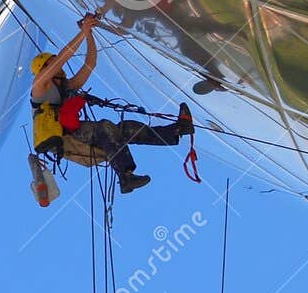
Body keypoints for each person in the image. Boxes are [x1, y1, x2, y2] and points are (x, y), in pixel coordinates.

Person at [30, 13, 193, 195]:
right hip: (65, 139)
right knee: (105, 127)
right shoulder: (39, 87)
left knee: (127, 129)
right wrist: (84, 31)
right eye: (52, 61)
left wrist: (89, 34)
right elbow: (63, 57)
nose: (57, 63)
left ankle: (177, 130)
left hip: (72, 132)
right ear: (44, 67)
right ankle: (125, 176)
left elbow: (90, 64)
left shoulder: (66, 86)